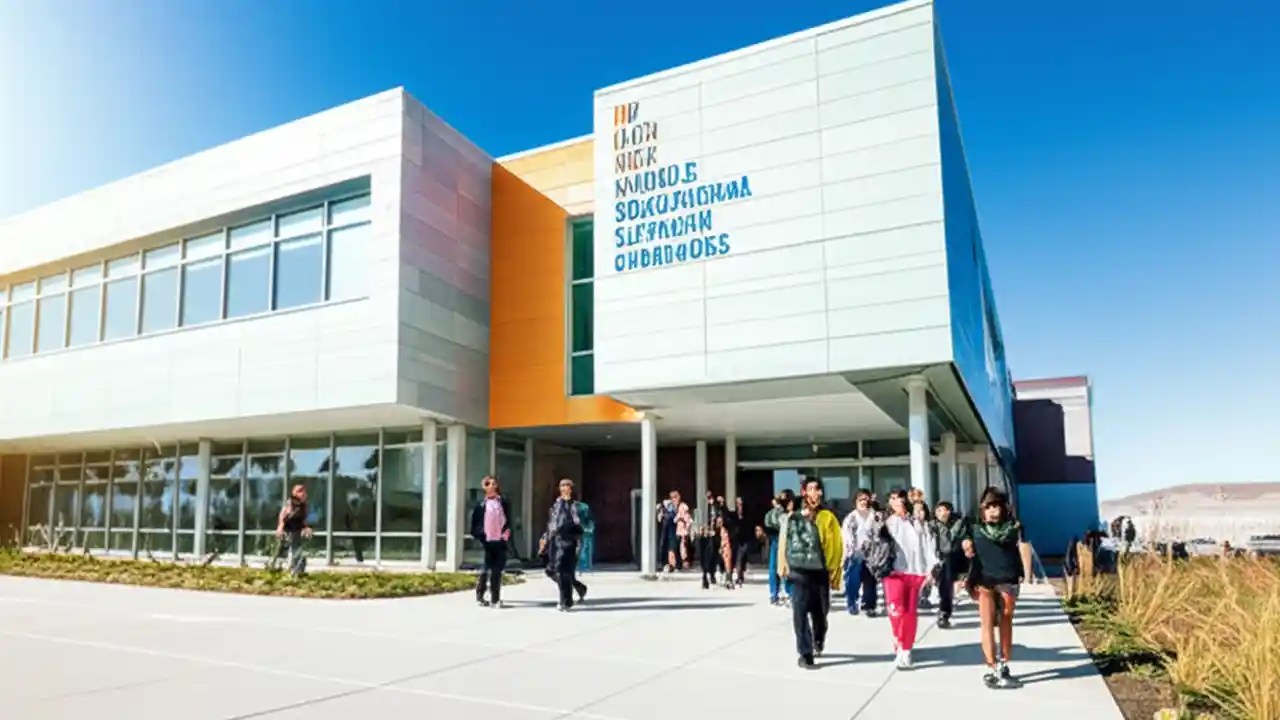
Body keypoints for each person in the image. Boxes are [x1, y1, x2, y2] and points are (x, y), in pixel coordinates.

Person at [961, 487, 1025, 689]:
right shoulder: (975, 528)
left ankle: (1005, 663)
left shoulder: (1014, 527)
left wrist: (1027, 573)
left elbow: (1023, 547)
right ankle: (992, 666)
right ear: (982, 509)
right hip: (984, 580)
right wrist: (965, 544)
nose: (992, 511)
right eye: (988, 507)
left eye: (996, 506)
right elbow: (960, 543)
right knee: (986, 622)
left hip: (1008, 578)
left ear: (1004, 508)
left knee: (1006, 619)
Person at [787, 477, 843, 670]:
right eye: (812, 489)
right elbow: (783, 537)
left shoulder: (828, 517)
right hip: (799, 572)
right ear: (804, 492)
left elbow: (836, 545)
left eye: (819, 489)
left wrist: (834, 570)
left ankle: (818, 638)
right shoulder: (793, 515)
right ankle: (805, 653)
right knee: (800, 613)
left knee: (820, 613)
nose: (817, 493)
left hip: (820, 572)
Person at [879, 488, 937, 670]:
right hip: (893, 571)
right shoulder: (885, 522)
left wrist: (931, 568)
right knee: (896, 610)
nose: (898, 502)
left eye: (901, 498)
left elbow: (928, 544)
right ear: (889, 502)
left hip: (916, 571)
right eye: (894, 498)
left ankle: (906, 649)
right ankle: (899, 637)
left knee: (910, 613)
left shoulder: (918, 522)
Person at [541, 478, 588, 611]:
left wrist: (579, 538)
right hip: (554, 540)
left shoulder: (576, 506)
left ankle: (565, 601)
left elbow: (582, 524)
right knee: (551, 570)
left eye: (568, 485)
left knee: (562, 570)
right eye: (563, 485)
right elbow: (551, 523)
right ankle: (578, 587)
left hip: (569, 541)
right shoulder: (555, 505)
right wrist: (545, 539)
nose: (565, 488)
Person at [470, 475, 512, 608]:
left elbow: (508, 520)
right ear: (484, 488)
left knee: (496, 570)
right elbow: (474, 526)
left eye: (494, 484)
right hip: (487, 541)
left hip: (500, 540)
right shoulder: (481, 506)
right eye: (488, 484)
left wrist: (506, 534)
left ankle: (495, 599)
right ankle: (480, 594)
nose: (492, 486)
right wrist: (482, 536)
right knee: (486, 569)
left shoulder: (503, 503)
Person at [840, 489, 879, 616]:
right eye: (860, 499)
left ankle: (869, 605)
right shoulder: (851, 517)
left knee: (870, 580)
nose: (863, 502)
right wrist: (850, 550)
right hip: (855, 553)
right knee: (853, 580)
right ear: (856, 501)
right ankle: (852, 603)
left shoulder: (875, 516)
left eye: (865, 499)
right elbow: (846, 535)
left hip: (871, 553)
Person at [933, 501, 964, 628]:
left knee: (946, 586)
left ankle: (944, 613)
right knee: (941, 586)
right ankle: (942, 610)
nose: (940, 513)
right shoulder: (932, 525)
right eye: (938, 511)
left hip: (950, 558)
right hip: (935, 558)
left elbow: (952, 540)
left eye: (943, 510)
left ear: (949, 511)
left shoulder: (957, 524)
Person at [275, 484, 313, 577]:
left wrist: (306, 528)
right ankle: (287, 569)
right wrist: (280, 527)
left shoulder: (303, 504)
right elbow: (283, 516)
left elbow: (303, 519)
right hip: (289, 530)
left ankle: (296, 571)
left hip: (296, 531)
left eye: (304, 491)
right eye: (300, 491)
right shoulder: (292, 503)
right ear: (294, 493)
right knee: (288, 551)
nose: (303, 494)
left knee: (296, 551)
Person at [775, 489, 798, 607]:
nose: (789, 504)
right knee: (783, 570)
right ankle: (787, 593)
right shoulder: (781, 516)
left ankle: (792, 594)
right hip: (783, 545)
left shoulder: (797, 516)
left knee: (793, 571)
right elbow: (771, 520)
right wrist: (777, 506)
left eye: (791, 502)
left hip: (794, 546)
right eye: (787, 502)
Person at [913, 501, 936, 611]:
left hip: (928, 553)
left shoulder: (930, 525)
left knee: (929, 575)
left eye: (921, 510)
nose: (919, 513)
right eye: (916, 510)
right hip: (915, 555)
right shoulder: (910, 525)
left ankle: (924, 597)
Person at [764, 496, 785, 605]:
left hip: (774, 539)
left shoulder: (770, 514)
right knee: (784, 566)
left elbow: (767, 525)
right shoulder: (784, 512)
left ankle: (774, 594)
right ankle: (787, 592)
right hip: (783, 539)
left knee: (773, 567)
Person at [731, 497, 754, 587]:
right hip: (737, 539)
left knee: (743, 557)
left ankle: (741, 574)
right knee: (739, 557)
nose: (739, 505)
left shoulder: (747, 514)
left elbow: (750, 524)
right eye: (738, 503)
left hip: (746, 538)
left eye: (740, 503)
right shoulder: (735, 514)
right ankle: (739, 576)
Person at [575, 498, 595, 572]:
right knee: (585, 547)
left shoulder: (582, 507)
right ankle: (586, 565)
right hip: (584, 528)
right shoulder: (583, 507)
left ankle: (584, 565)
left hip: (583, 528)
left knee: (583, 547)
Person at [675, 499, 693, 569]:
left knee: (684, 547)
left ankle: (685, 561)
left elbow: (689, 522)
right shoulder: (679, 514)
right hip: (679, 532)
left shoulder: (687, 515)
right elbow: (675, 520)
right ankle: (681, 562)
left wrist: (684, 521)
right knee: (680, 547)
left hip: (684, 533)